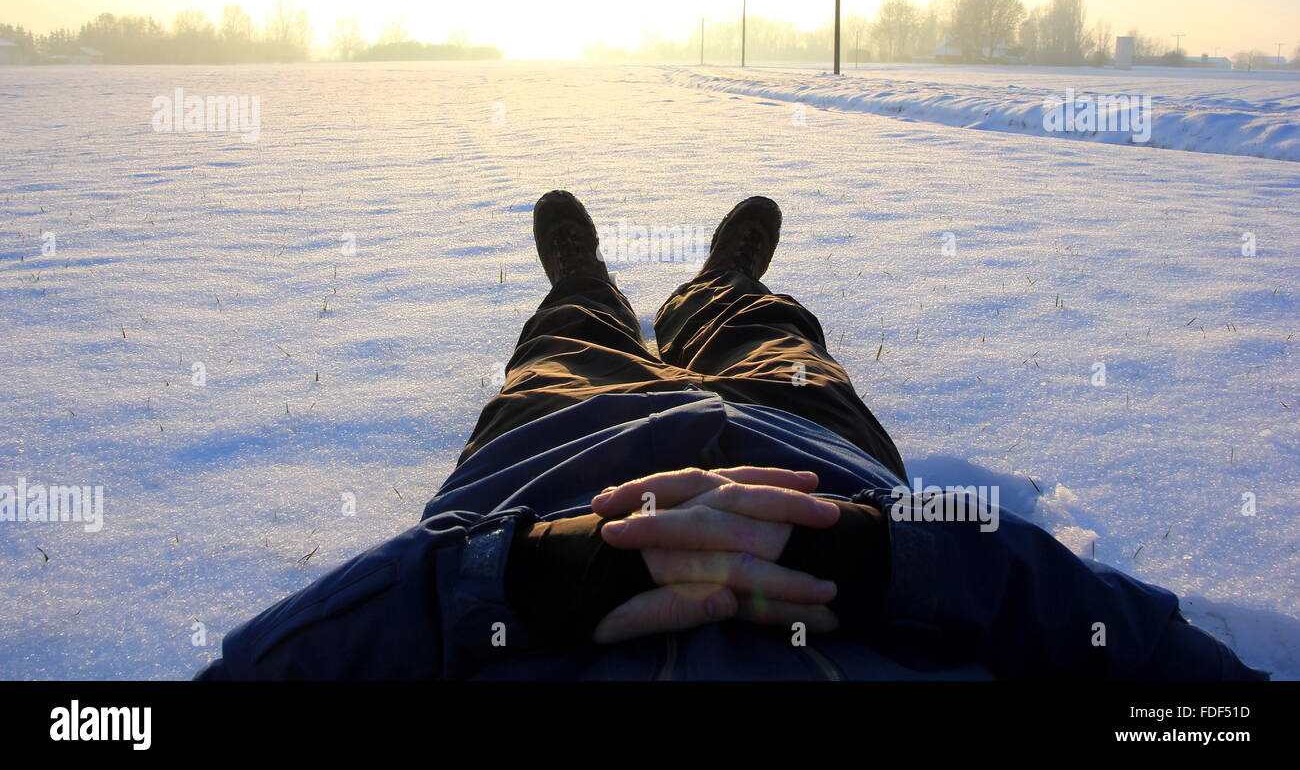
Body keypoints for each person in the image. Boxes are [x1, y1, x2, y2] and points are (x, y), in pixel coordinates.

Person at [195, 192, 1266, 680]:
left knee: (567, 339)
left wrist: (510, 583)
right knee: (773, 335)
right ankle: (724, 283)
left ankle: (583, 281)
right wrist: (894, 554)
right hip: (817, 458)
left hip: (551, 459)